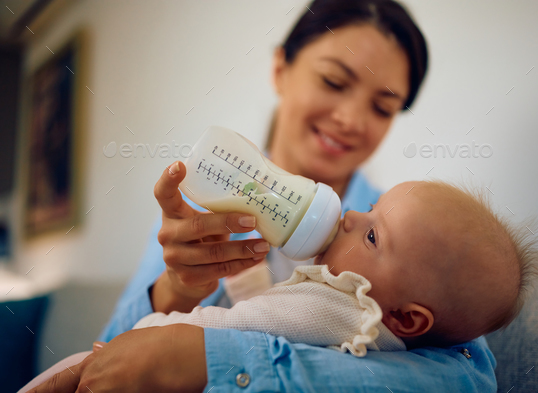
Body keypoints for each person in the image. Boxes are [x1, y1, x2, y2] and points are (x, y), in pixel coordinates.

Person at [28, 1, 502, 392]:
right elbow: (105, 364)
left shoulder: (416, 237)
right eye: (334, 82)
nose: (352, 119)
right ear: (280, 69)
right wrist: (175, 288)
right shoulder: (205, 211)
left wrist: (217, 360)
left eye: (382, 107)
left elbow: (468, 378)